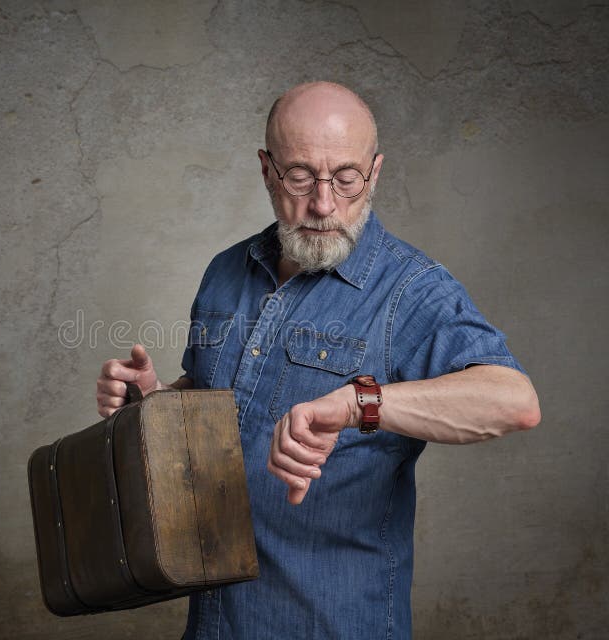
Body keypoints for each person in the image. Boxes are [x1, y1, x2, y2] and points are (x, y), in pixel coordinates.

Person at [96, 81, 540, 640]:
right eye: (301, 176)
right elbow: (218, 397)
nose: (324, 203)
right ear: (266, 171)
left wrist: (361, 403)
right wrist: (156, 405)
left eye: (347, 178)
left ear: (374, 173)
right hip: (215, 623)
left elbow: (514, 402)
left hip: (333, 624)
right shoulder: (225, 272)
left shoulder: (412, 289)